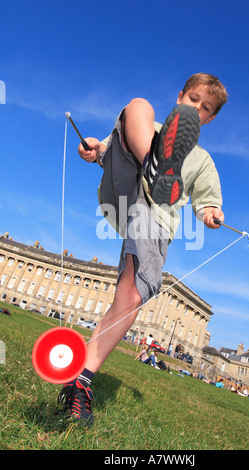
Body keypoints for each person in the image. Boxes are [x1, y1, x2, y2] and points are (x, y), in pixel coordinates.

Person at [57, 73, 228, 425]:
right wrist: (90, 149)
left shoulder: (203, 161)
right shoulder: (149, 122)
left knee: (130, 296)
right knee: (138, 106)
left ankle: (80, 378)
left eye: (206, 108)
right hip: (127, 183)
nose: (198, 108)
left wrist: (211, 213)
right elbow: (103, 151)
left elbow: (207, 202)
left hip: (154, 215)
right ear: (180, 96)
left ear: (210, 118)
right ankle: (156, 162)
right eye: (193, 99)